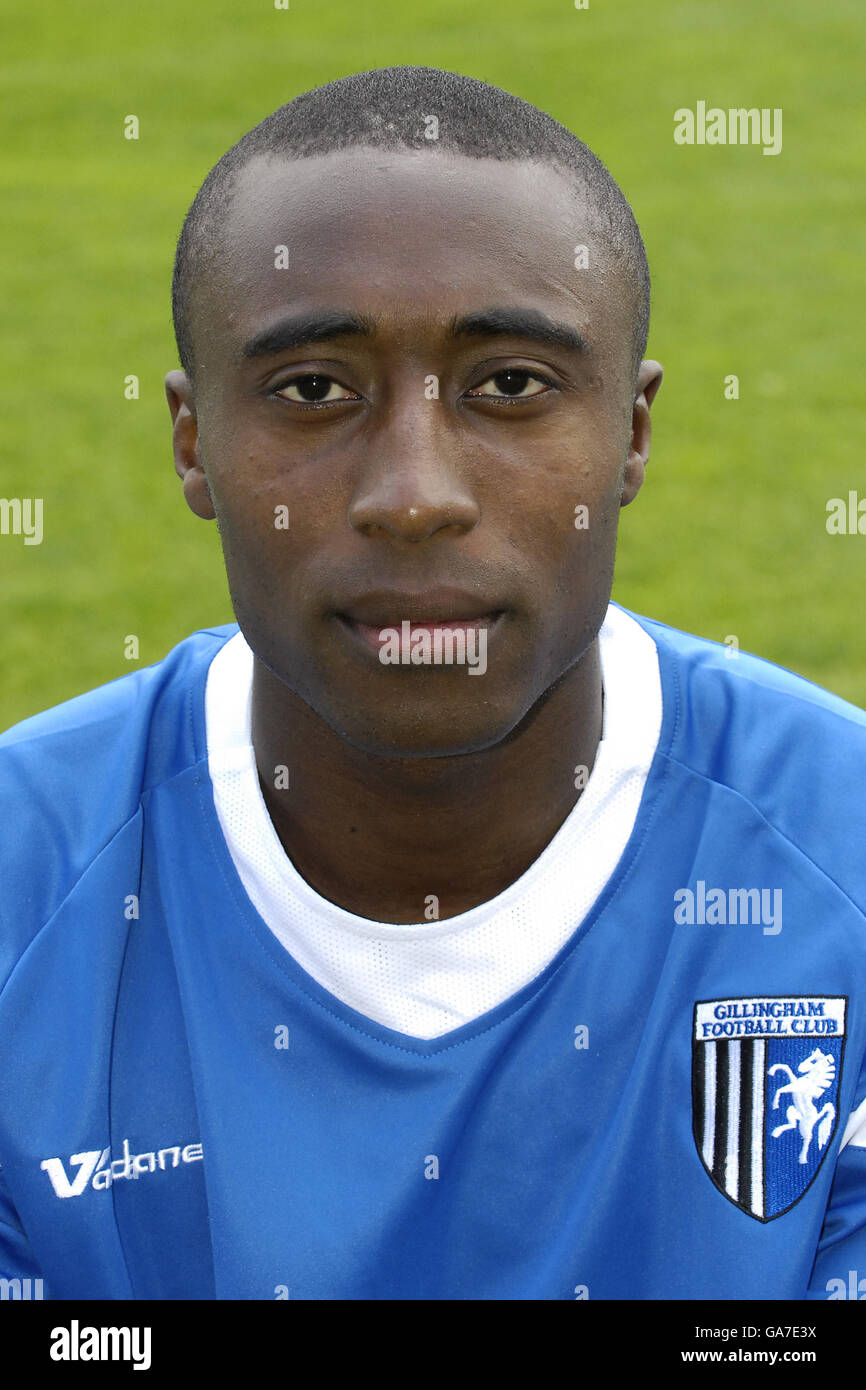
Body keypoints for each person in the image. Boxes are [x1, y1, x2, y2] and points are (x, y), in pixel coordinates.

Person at [1, 65, 864, 1302]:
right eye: (314, 390)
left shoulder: (840, 862)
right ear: (195, 443)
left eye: (508, 385)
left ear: (630, 431)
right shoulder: (24, 883)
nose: (414, 494)